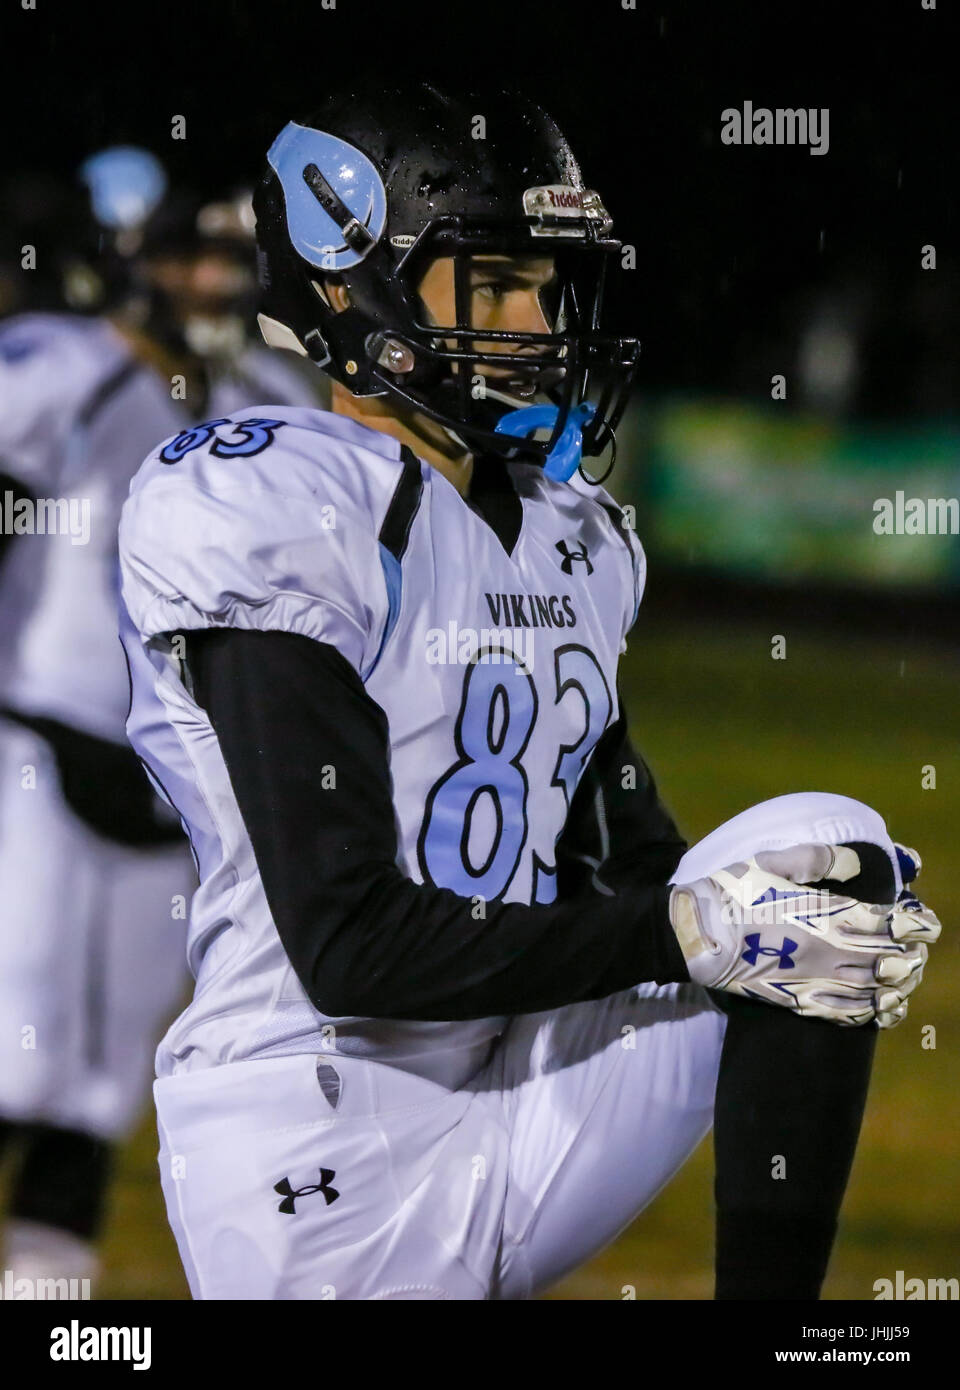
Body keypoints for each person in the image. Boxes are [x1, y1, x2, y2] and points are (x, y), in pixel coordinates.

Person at [118, 85, 941, 1300]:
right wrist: (698, 931)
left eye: (546, 286)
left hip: (519, 1074)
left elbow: (629, 860)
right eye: (493, 281)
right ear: (354, 287)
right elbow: (349, 949)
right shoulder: (278, 505)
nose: (537, 321)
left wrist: (807, 938)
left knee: (825, 856)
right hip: (317, 1126)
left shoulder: (569, 534)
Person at [0, 147, 320, 1289]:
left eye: (234, 258)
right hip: (33, 738)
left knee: (99, 1081)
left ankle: (50, 1302)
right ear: (134, 262)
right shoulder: (55, 369)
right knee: (13, 1046)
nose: (213, 283)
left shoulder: (274, 405)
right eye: (192, 255)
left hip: (185, 779)